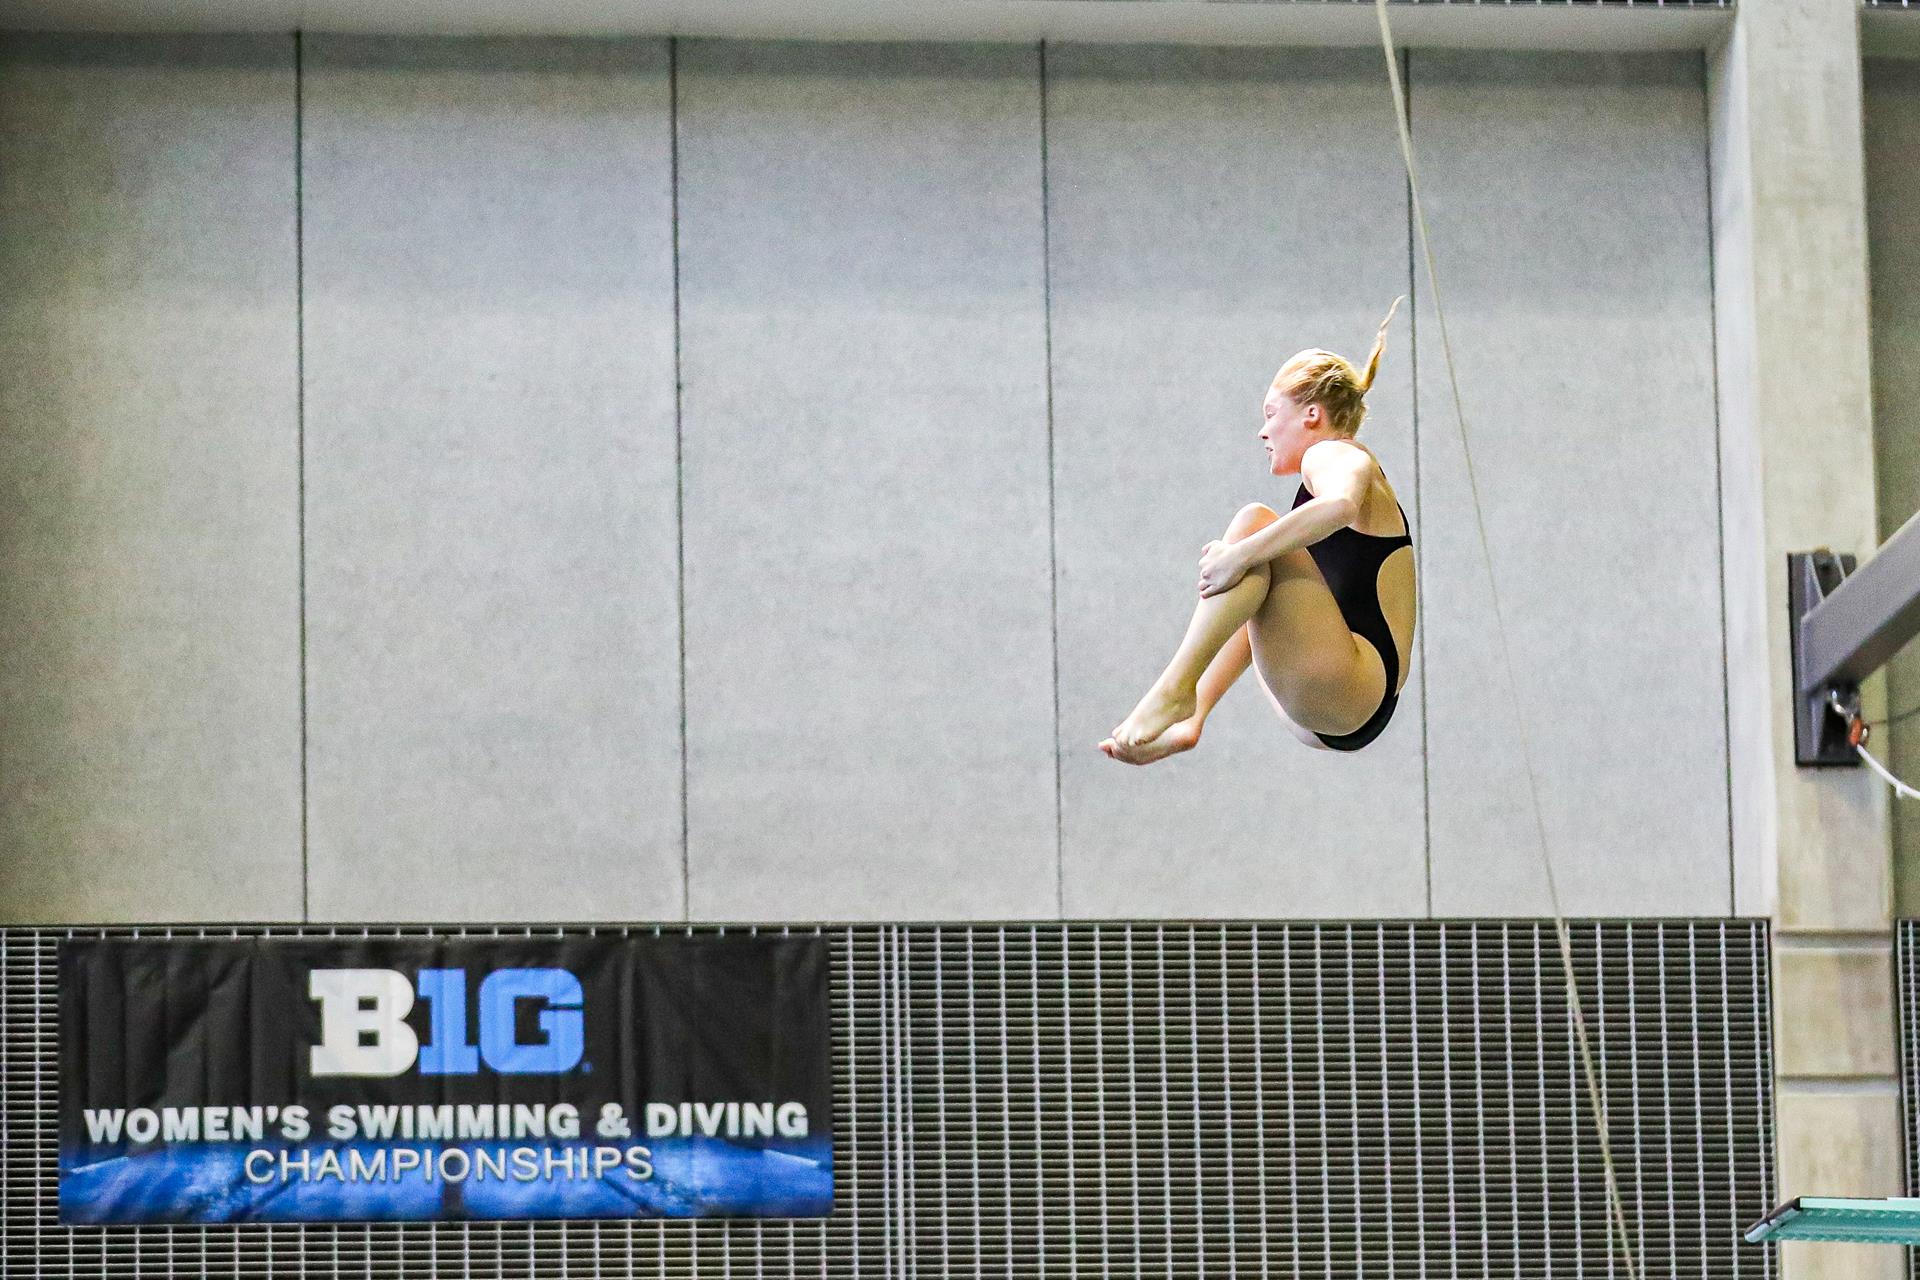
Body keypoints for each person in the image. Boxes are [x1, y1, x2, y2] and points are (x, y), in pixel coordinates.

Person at [1101, 300, 1416, 763]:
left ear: (1312, 415)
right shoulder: (1310, 494)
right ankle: (1189, 710)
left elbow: (1341, 504)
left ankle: (1175, 689)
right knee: (1256, 564)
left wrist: (1238, 553)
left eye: (1271, 413)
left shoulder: (1337, 456)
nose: (1263, 432)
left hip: (1354, 685)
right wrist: (1244, 558)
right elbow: (1251, 611)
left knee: (1253, 525)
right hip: (1338, 704)